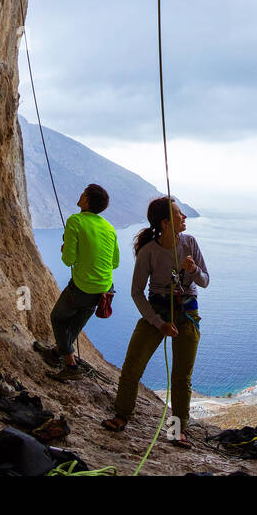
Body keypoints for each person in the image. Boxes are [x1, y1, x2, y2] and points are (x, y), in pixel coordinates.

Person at [102, 196, 209, 448]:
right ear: (165, 222)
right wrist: (156, 321)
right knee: (131, 368)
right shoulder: (149, 251)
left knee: (181, 377)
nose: (184, 217)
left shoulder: (190, 243)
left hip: (186, 315)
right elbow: (137, 292)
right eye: (179, 214)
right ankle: (121, 416)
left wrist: (193, 270)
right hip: (156, 314)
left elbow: (204, 281)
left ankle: (177, 430)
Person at [48, 183, 119, 381]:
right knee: (75, 323)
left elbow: (68, 260)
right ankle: (55, 352)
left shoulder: (75, 221)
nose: (80, 194)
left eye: (83, 193)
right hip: (105, 289)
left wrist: (67, 250)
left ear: (86, 199)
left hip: (82, 288)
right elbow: (115, 262)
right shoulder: (109, 227)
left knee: (58, 318)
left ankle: (70, 366)